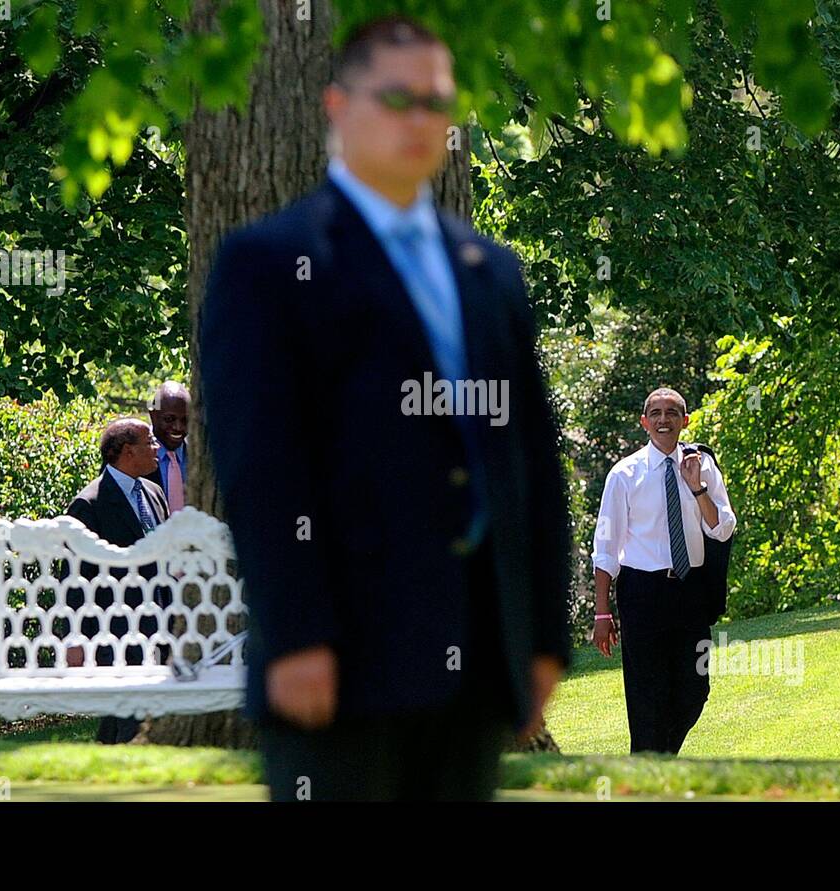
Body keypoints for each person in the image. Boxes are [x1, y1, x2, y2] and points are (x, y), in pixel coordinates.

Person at [200, 15, 571, 800]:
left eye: (436, 102)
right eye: (396, 97)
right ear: (338, 105)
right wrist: (298, 633)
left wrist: (541, 640)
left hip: (472, 656)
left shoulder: (490, 271)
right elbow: (262, 467)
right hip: (337, 662)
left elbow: (530, 462)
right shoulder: (268, 264)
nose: (418, 119)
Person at [590, 387, 737, 754]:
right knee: (646, 696)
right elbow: (606, 549)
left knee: (694, 690)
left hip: (691, 591)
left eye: (672, 413)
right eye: (655, 413)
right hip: (643, 592)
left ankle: (659, 758)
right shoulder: (624, 475)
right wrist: (602, 612)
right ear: (644, 423)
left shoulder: (702, 467)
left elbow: (721, 528)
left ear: (685, 421)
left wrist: (697, 488)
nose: (663, 419)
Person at [64, 417, 171, 744]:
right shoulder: (89, 503)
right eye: (150, 442)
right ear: (127, 451)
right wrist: (74, 637)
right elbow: (74, 578)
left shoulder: (153, 492)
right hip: (114, 627)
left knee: (126, 710)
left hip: (158, 622)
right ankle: (127, 765)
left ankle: (107, 754)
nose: (157, 448)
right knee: (129, 707)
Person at [145, 381, 189, 514]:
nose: (178, 427)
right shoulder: (129, 455)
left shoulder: (202, 459)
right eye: (169, 419)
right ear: (153, 416)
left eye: (185, 420)